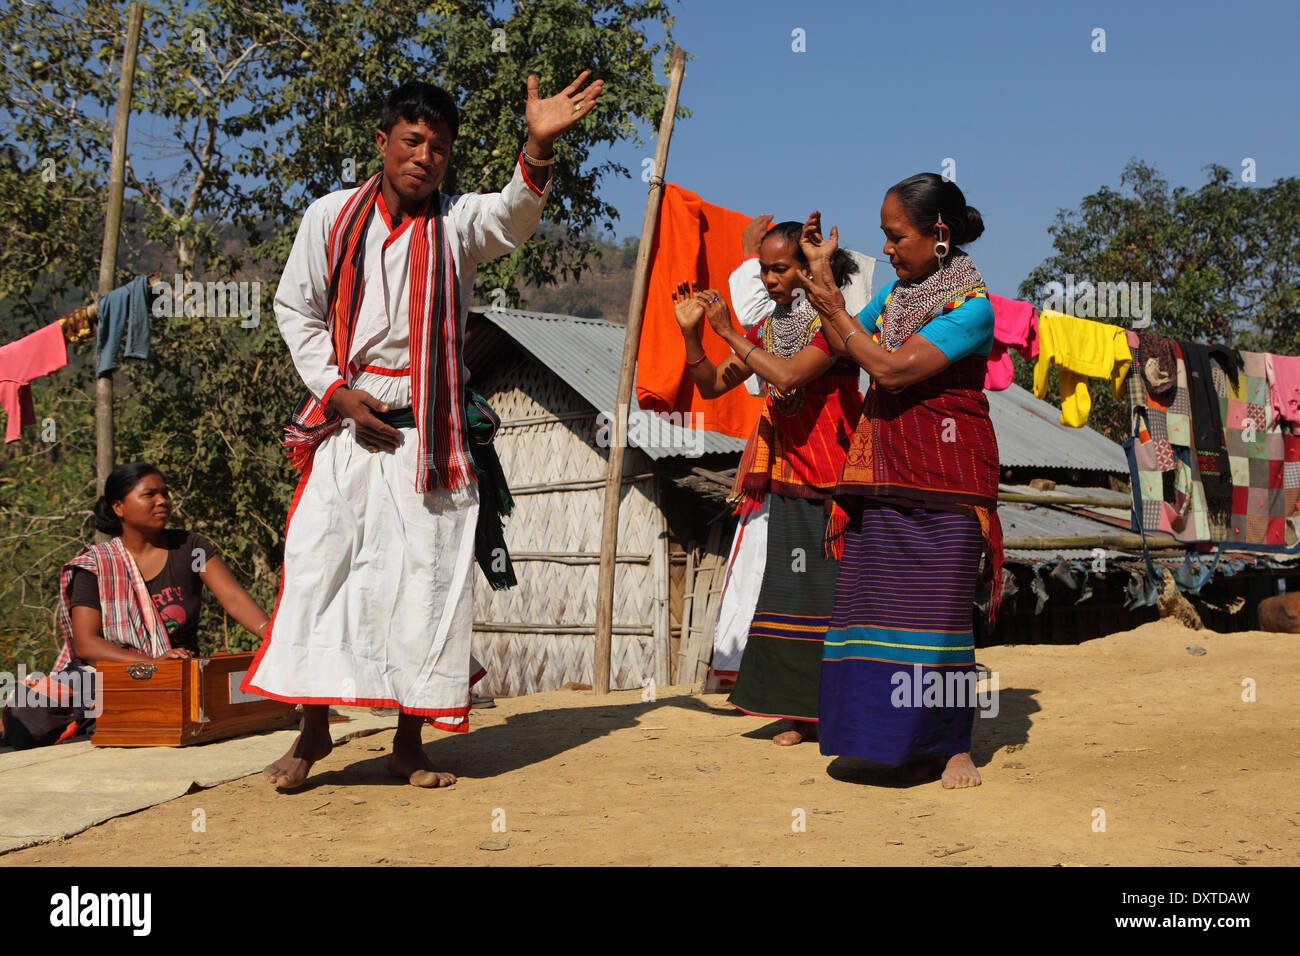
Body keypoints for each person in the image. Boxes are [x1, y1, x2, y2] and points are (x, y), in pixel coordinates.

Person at [243, 74, 602, 790]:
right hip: (346, 426)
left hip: (430, 437)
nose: (424, 157)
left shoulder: (459, 223)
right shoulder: (328, 218)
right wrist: (341, 396)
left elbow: (513, 218)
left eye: (438, 147)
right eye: (411, 141)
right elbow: (296, 309)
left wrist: (536, 143)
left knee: (427, 585)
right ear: (382, 143)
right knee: (322, 575)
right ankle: (313, 732)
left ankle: (409, 744)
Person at [798, 174, 1002, 788]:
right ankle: (885, 740)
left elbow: (887, 370)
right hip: (885, 471)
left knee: (939, 618)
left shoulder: (972, 309)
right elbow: (841, 343)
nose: (885, 249)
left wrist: (835, 308)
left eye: (895, 237)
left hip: (949, 477)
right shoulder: (891, 298)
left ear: (938, 236)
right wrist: (825, 285)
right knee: (875, 610)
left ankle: (951, 746)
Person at [674, 222, 861, 745]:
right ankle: (799, 711)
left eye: (780, 268)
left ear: (809, 268)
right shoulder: (768, 329)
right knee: (788, 595)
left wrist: (729, 330)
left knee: (830, 599)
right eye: (764, 270)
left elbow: (787, 377)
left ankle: (838, 710)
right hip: (788, 473)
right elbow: (713, 385)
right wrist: (692, 334)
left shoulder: (836, 323)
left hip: (836, 477)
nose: (769, 279)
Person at [1, 462, 271, 748]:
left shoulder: (191, 549)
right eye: (150, 495)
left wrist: (274, 641)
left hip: (175, 675)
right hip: (109, 674)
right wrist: (152, 664)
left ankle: (99, 722)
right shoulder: (97, 565)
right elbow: (87, 644)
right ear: (119, 508)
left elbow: (235, 600)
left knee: (209, 695)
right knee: (29, 713)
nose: (163, 501)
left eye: (165, 494)